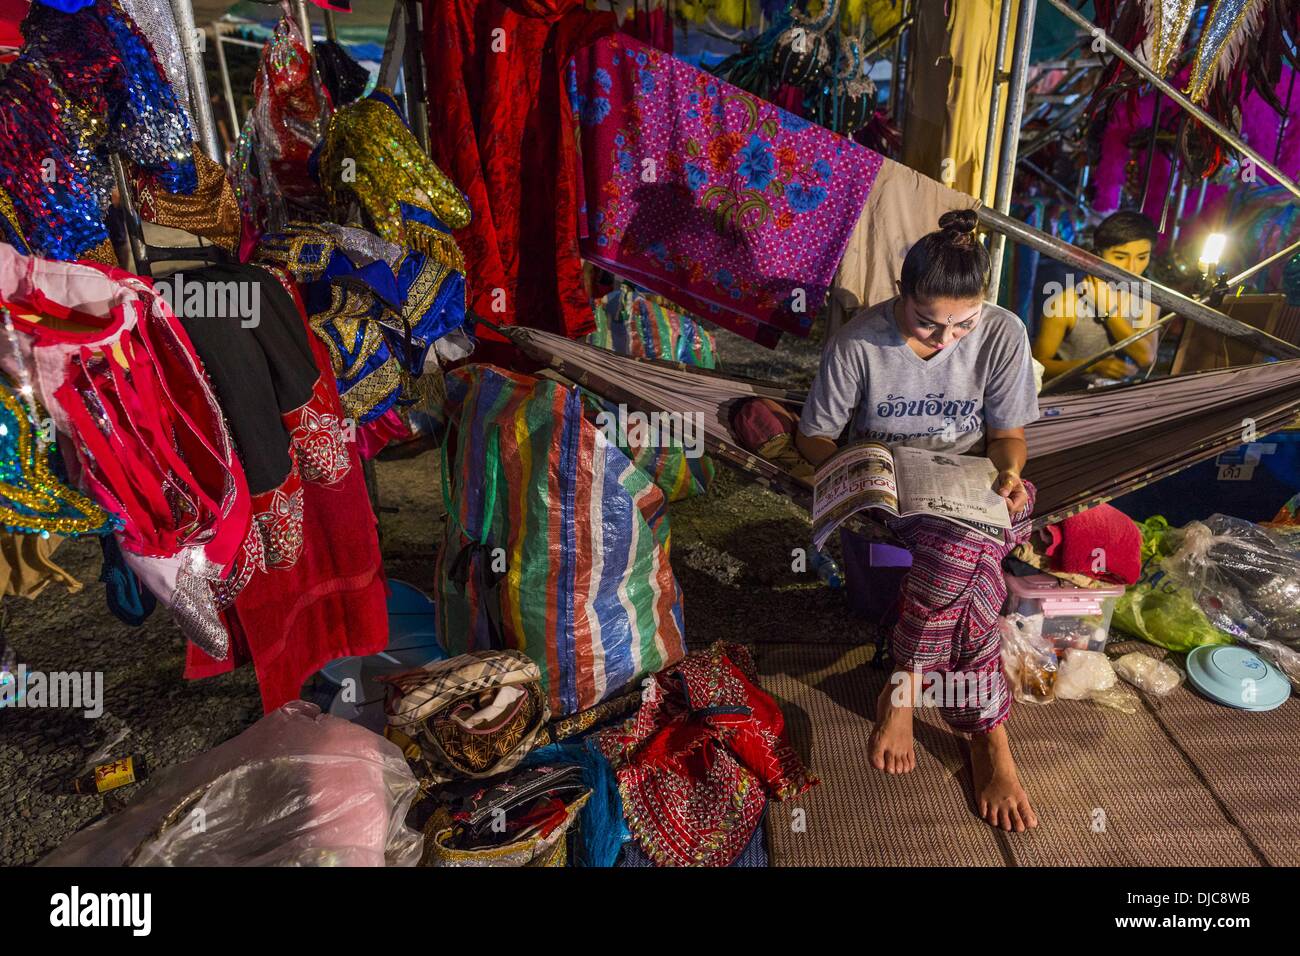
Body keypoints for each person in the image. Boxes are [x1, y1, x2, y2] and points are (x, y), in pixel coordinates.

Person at [795, 209, 1041, 832]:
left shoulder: (1005, 334)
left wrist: (1007, 477)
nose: (945, 339)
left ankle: (904, 684)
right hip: (896, 496)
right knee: (973, 564)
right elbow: (815, 437)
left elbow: (1008, 437)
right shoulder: (859, 340)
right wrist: (860, 470)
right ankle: (989, 737)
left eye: (964, 324)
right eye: (928, 322)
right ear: (900, 297)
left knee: (966, 548)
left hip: (973, 487)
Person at [1033, 210, 1160, 384]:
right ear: (1098, 254)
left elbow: (1146, 356)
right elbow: (1037, 367)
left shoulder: (1146, 297)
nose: (1132, 267)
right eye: (1120, 257)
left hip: (1121, 399)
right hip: (1070, 397)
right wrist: (1091, 366)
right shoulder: (1065, 303)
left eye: (1142, 257)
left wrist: (1108, 311)